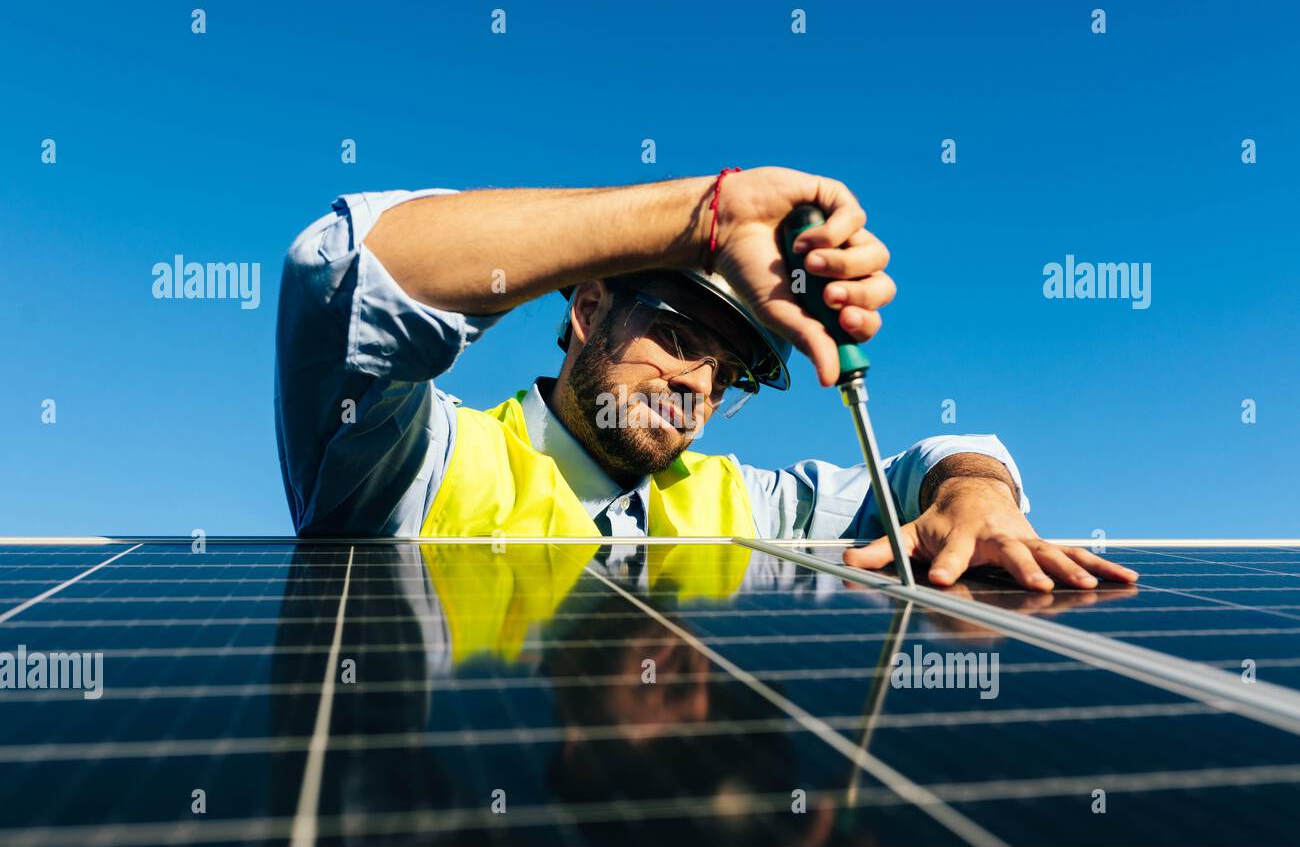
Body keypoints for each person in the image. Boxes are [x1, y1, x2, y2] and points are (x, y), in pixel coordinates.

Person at [274, 166, 1138, 591]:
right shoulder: (413, 465)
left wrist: (978, 493)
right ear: (587, 312)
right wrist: (702, 218)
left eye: (727, 375)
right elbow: (342, 276)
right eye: (678, 335)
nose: (697, 383)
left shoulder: (744, 506)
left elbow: (937, 461)